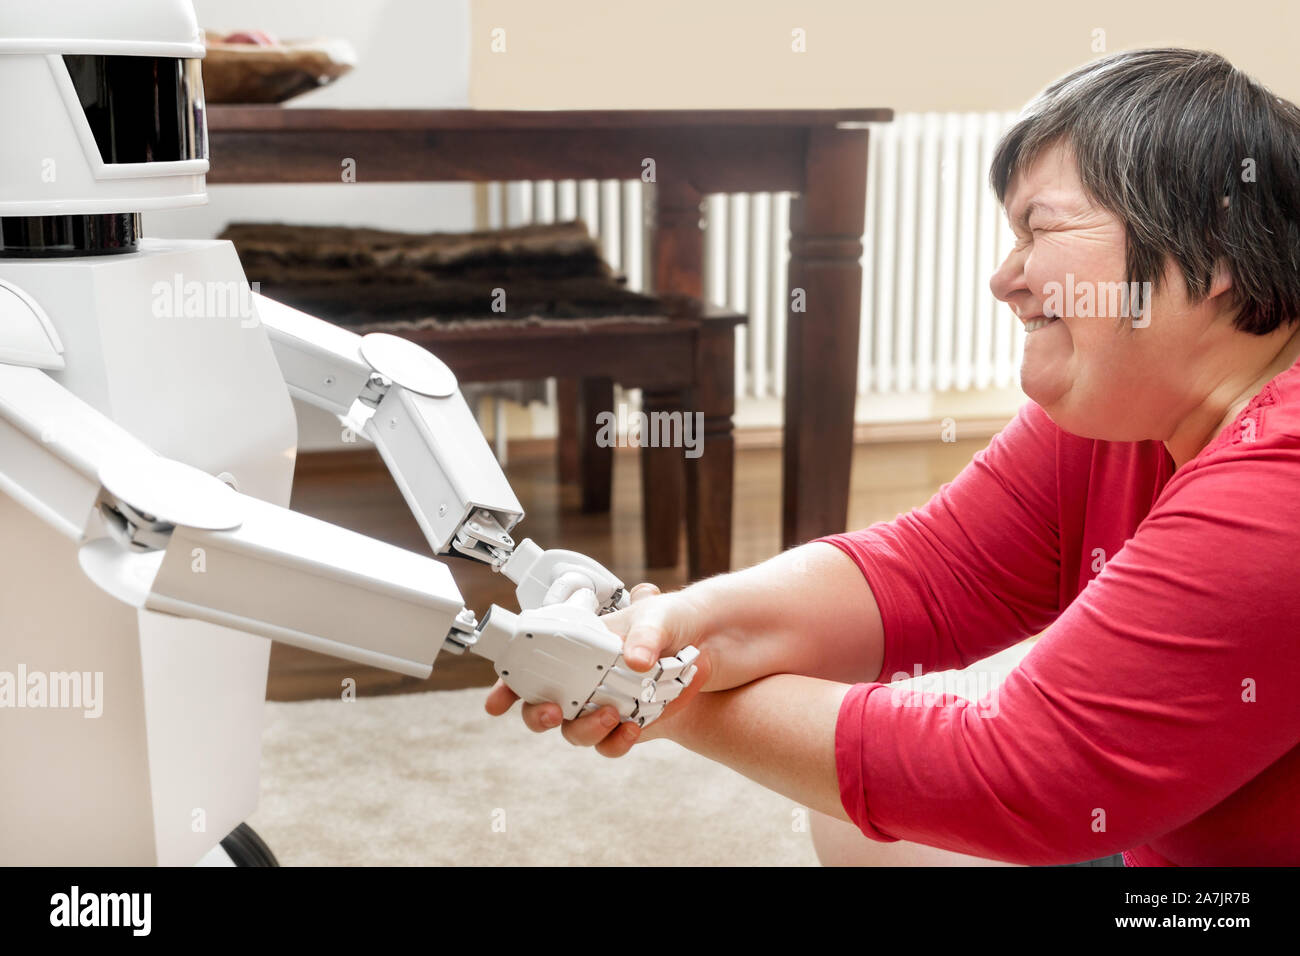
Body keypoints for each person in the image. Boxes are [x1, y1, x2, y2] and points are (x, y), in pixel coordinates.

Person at [486, 48, 1300, 866]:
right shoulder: (1127, 410)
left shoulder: (1281, 487)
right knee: (869, 813)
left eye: (1039, 230)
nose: (1003, 279)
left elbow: (1029, 778)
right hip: (1150, 843)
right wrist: (673, 631)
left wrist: (660, 698)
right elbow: (931, 571)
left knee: (928, 788)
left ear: (1216, 244)